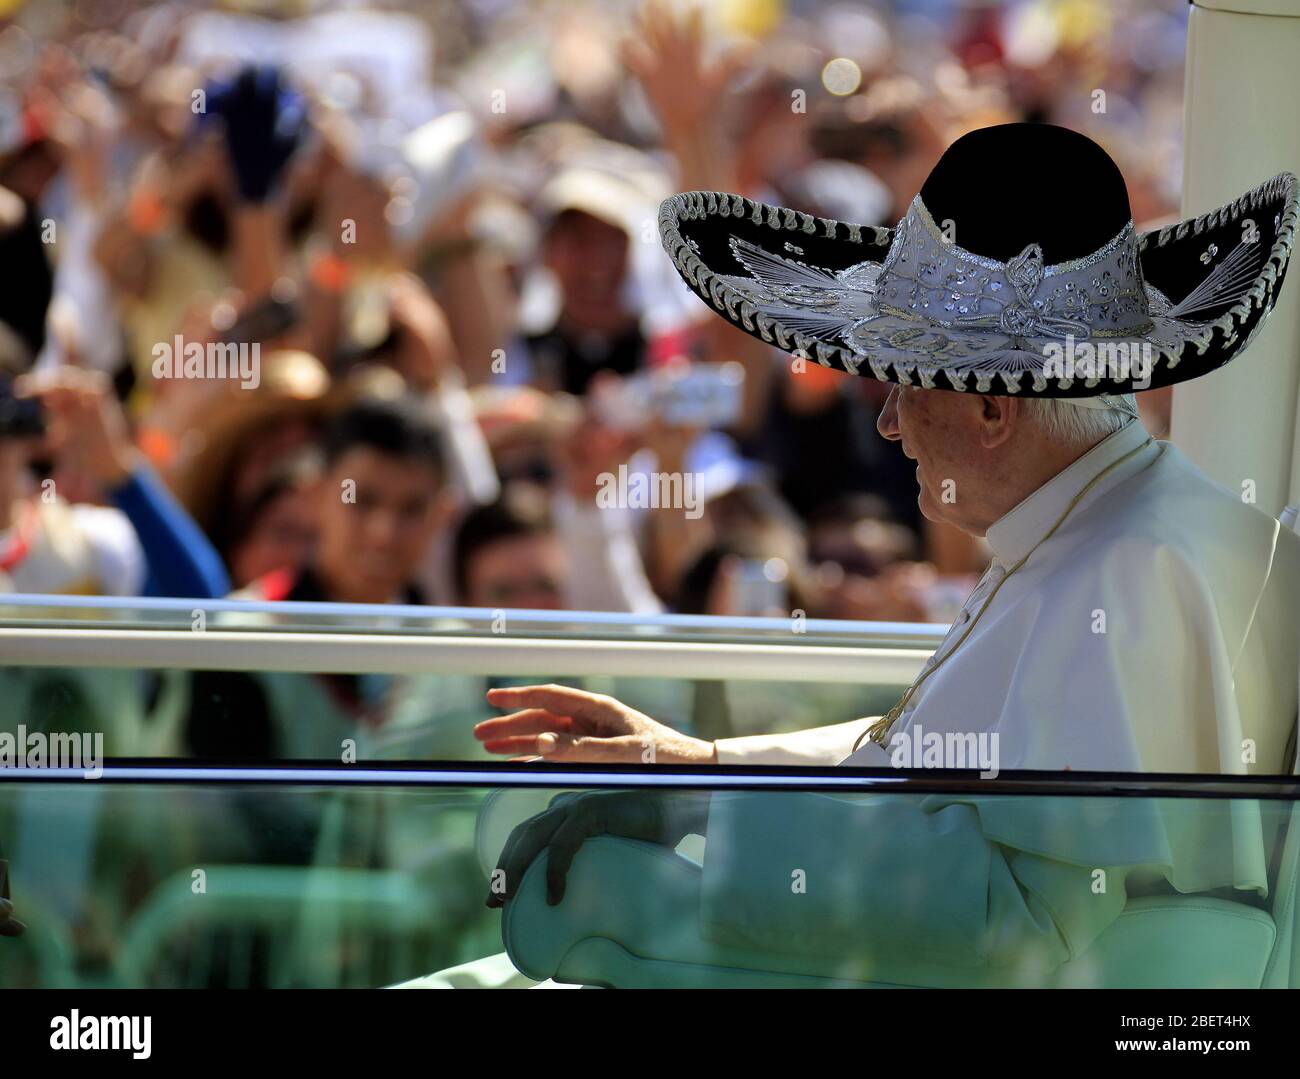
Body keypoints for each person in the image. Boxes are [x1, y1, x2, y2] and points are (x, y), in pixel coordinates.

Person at [475, 124, 1300, 976]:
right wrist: (706, 766)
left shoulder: (1130, 572)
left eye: (908, 380)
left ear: (993, 409)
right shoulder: (1106, 526)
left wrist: (707, 807)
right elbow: (935, 763)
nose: (889, 421)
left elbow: (1015, 925)